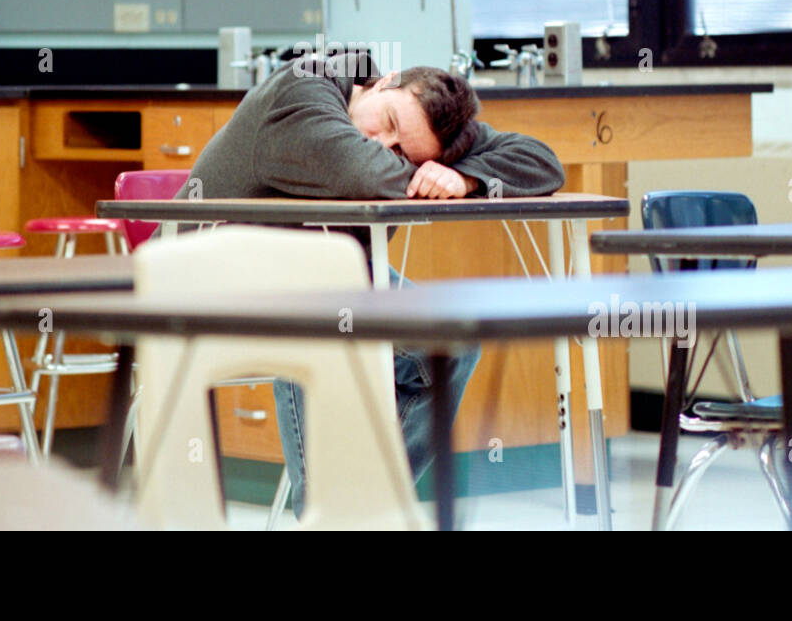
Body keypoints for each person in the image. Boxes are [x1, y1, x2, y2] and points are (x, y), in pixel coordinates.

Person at [179, 49, 565, 516]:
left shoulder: (430, 135)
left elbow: (542, 162)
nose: (381, 143)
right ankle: (332, 515)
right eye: (388, 123)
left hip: (333, 282)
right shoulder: (303, 90)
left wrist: (464, 177)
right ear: (384, 83)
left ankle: (361, 509)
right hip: (205, 279)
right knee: (324, 329)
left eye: (405, 152)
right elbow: (362, 171)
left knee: (451, 343)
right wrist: (424, 175)